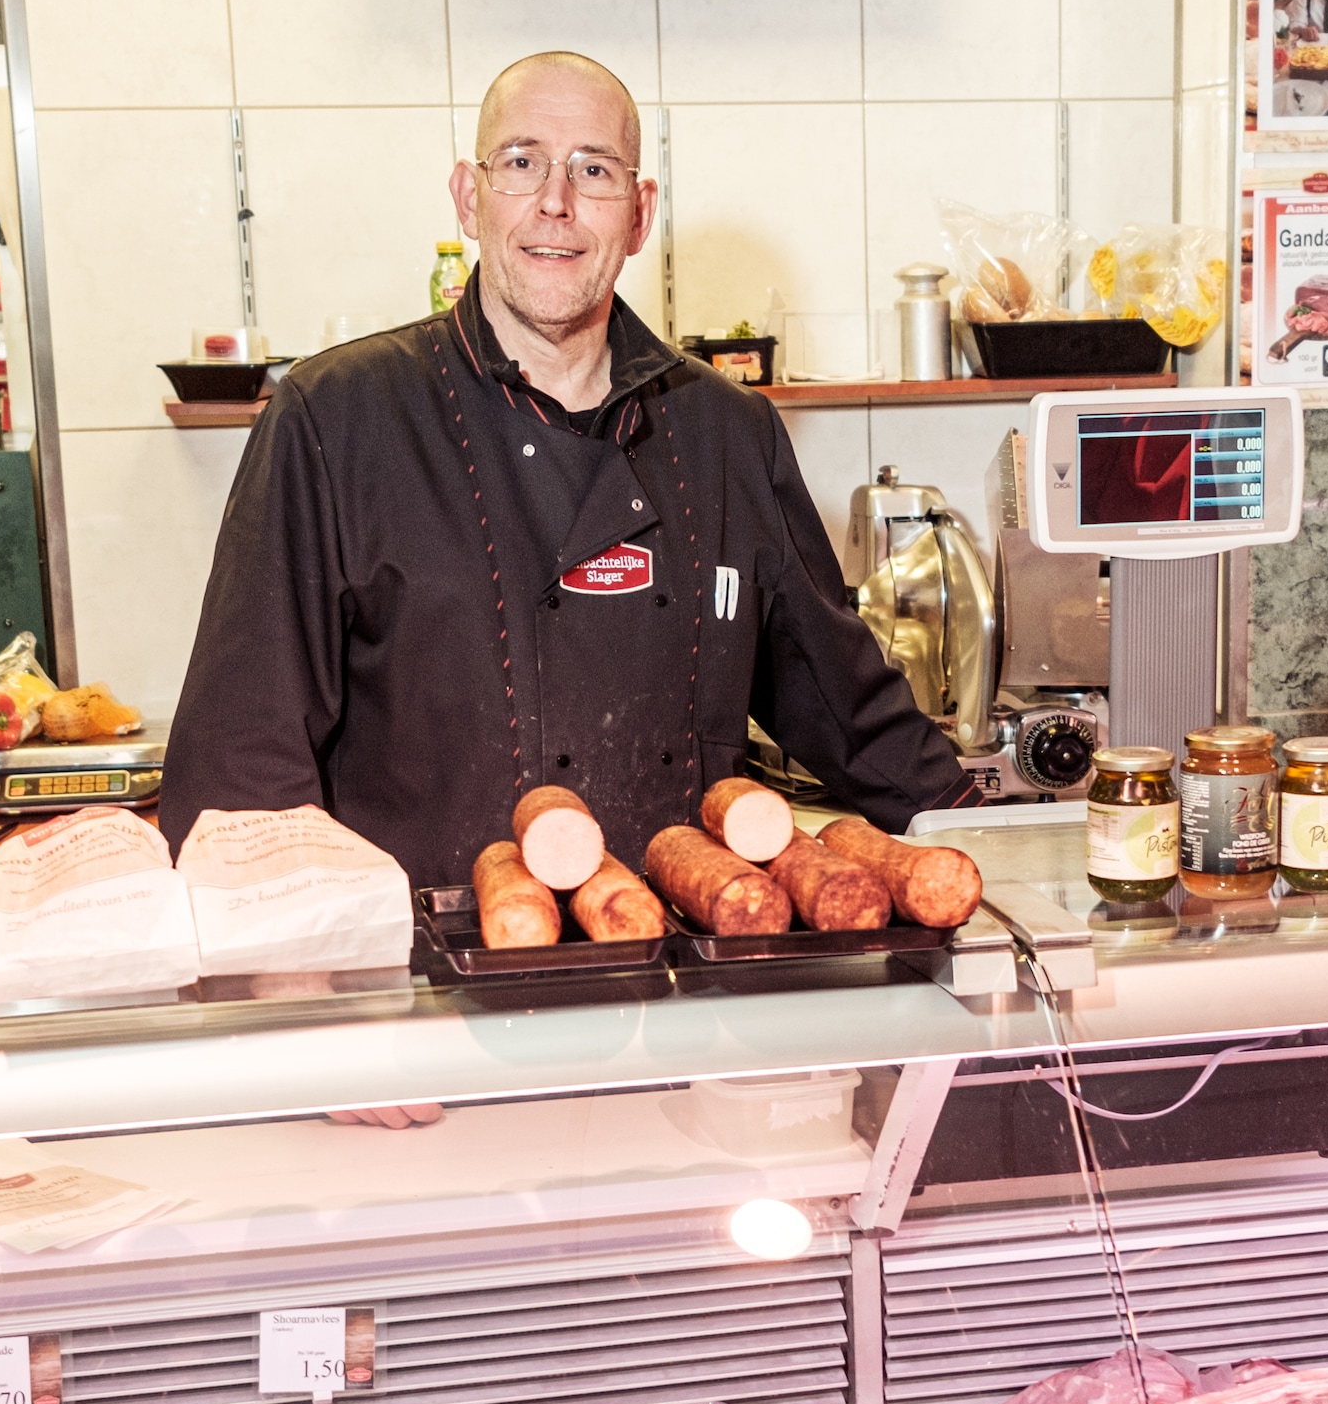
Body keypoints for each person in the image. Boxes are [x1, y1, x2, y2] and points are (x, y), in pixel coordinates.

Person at [161, 50, 966, 887]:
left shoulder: (729, 432)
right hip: (432, 977)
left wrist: (994, 837)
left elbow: (846, 710)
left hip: (680, 960)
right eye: (521, 163)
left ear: (639, 213)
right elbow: (242, 767)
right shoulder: (337, 420)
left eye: (593, 170)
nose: (556, 202)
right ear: (469, 199)